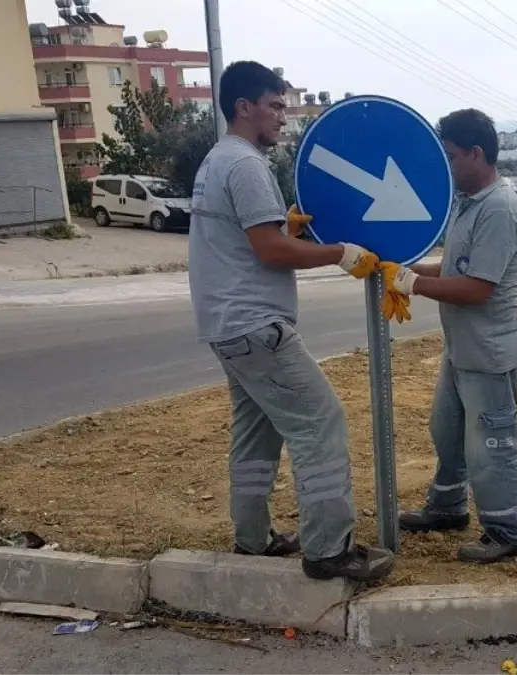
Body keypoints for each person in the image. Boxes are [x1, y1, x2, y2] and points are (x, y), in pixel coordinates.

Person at [187, 60, 394, 582]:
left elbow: (255, 240)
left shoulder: (218, 160)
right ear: (244, 107)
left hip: (226, 325)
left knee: (256, 434)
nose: (283, 116)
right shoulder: (246, 165)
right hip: (257, 326)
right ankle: (328, 550)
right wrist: (337, 252)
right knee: (320, 422)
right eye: (275, 106)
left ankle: (252, 539)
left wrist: (289, 230)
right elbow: (268, 250)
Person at [379, 108, 517, 563]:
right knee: (446, 432)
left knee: (490, 448)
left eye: (451, 157)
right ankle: (447, 507)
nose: (447, 167)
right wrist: (402, 270)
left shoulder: (500, 209)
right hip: (462, 351)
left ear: (477, 154)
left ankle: (507, 531)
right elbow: (452, 269)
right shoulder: (468, 203)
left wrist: (411, 284)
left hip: (490, 354)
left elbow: (476, 288)